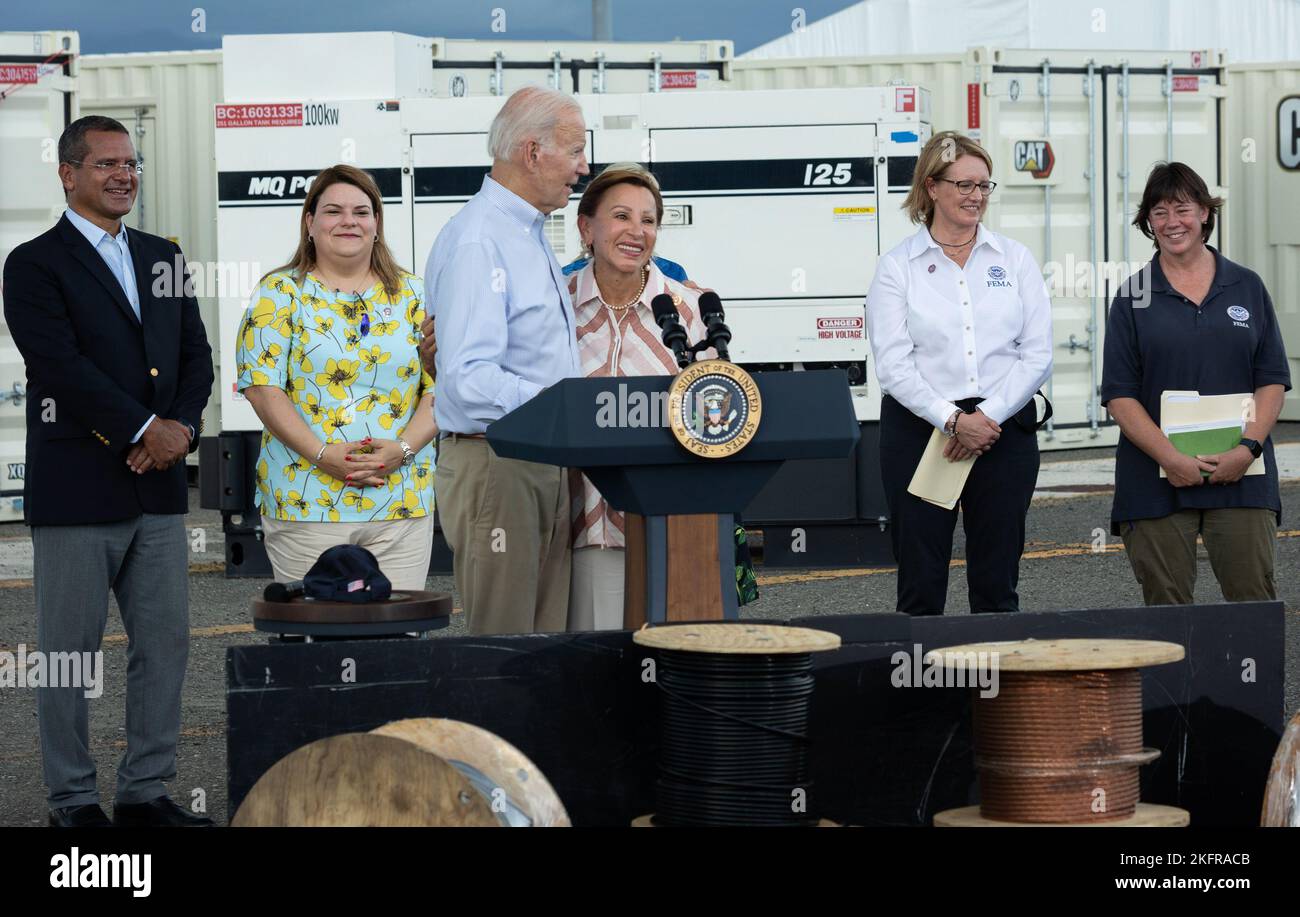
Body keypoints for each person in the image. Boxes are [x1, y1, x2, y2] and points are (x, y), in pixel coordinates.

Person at [2, 115, 214, 827]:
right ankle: (73, 801)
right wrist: (142, 427)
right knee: (69, 657)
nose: (124, 175)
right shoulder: (33, 263)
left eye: (132, 163)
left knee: (165, 646)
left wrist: (178, 429)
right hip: (77, 490)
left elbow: (196, 357)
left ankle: (145, 792)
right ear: (68, 173)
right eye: (106, 165)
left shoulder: (163, 255)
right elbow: (60, 366)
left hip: (155, 488)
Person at [865, 131, 1053, 615]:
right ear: (932, 187)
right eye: (964, 185)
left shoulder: (1014, 259)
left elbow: (1037, 355)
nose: (976, 196)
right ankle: (925, 689)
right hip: (921, 430)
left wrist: (984, 419)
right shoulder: (897, 267)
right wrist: (952, 420)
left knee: (997, 580)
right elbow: (892, 364)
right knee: (921, 582)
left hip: (1001, 429)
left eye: (984, 186)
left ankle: (994, 687)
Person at [425, 86, 587, 635]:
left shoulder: (524, 232)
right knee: (504, 648)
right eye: (576, 150)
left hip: (530, 458)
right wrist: (560, 408)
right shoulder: (481, 241)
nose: (583, 168)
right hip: (501, 460)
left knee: (539, 644)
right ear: (533, 152)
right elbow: (469, 380)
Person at [236, 165, 437, 590]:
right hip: (306, 500)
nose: (349, 221)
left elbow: (443, 388)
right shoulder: (279, 293)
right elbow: (261, 388)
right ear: (310, 223)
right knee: (317, 642)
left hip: (400, 500)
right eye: (333, 211)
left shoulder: (417, 295)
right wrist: (322, 454)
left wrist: (401, 450)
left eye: (362, 212)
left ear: (377, 225)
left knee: (398, 639)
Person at [1101, 162, 1290, 605]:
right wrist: (1172, 458)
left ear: (1205, 212)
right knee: (1168, 612)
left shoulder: (1247, 286)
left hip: (1242, 474)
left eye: (1182, 209)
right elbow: (1120, 396)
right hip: (1153, 480)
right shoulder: (1133, 296)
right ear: (1147, 221)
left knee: (1252, 604)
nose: (1172, 223)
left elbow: (1272, 381)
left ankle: (1247, 679)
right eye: (1159, 212)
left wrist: (1247, 450)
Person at [565, 163, 713, 629]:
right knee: (592, 665)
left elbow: (715, 416)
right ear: (586, 227)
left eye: (648, 220)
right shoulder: (554, 304)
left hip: (670, 523)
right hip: (579, 526)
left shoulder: (691, 308)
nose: (637, 231)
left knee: (671, 661)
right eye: (621, 217)